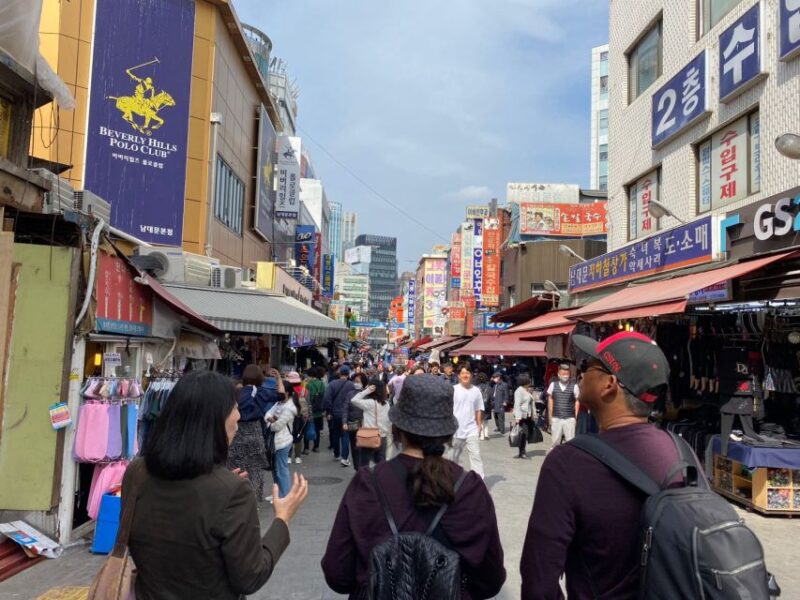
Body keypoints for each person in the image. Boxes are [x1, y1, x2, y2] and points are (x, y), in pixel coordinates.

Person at [125, 370, 308, 599]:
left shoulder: (136, 472)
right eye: (234, 408)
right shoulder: (233, 491)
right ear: (213, 419)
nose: (239, 416)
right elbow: (250, 576)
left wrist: (221, 488)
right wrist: (282, 519)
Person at [321, 375, 506, 599]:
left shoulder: (367, 483)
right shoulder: (470, 488)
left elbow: (337, 574)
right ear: (448, 433)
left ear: (397, 429)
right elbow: (490, 580)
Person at [520, 332, 675, 599]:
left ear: (610, 384)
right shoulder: (682, 454)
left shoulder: (568, 463)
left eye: (589, 367)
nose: (580, 373)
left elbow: (538, 579)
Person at [227, 365, 279, 502]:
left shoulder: (234, 392)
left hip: (237, 433)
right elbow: (281, 394)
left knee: (235, 468)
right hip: (254, 432)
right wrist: (278, 378)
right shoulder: (261, 391)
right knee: (255, 470)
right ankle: (253, 501)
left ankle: (234, 498)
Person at [447, 365, 485, 478]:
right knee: (452, 457)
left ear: (471, 375)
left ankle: (479, 482)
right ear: (458, 375)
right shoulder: (453, 390)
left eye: (468, 373)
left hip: (471, 429)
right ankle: (450, 480)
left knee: (476, 455)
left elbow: (479, 409)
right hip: (455, 430)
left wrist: (479, 425)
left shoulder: (476, 391)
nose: (465, 375)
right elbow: (447, 408)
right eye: (463, 373)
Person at [348, 378, 391, 467]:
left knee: (364, 464)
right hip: (382, 437)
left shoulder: (369, 403)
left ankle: (365, 480)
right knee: (381, 465)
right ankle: (379, 480)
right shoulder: (386, 404)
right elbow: (388, 421)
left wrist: (366, 391)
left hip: (369, 436)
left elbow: (354, 400)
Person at [266, 383, 297, 499]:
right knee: (275, 469)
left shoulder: (290, 407)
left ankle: (285, 495)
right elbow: (267, 414)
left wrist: (271, 421)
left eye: (279, 391)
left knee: (281, 469)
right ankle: (277, 493)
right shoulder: (278, 403)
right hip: (274, 442)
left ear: (287, 392)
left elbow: (276, 426)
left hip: (283, 442)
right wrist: (271, 419)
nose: (277, 393)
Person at [324, 365, 356, 466]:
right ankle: (344, 458)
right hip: (347, 414)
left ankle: (336, 454)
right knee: (345, 435)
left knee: (335, 434)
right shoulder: (352, 385)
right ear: (348, 374)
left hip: (334, 413)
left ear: (340, 373)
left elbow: (327, 399)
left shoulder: (332, 384)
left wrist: (328, 412)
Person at [545, 363, 580, 451]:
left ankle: (569, 460)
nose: (565, 376)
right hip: (556, 417)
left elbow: (577, 401)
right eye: (563, 374)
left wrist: (575, 416)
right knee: (555, 442)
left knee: (570, 441)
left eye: (567, 374)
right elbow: (550, 400)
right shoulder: (553, 385)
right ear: (558, 374)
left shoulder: (574, 386)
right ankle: (554, 459)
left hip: (569, 418)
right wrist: (550, 416)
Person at [344, 373, 369, 471]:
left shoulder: (367, 394)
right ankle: (357, 469)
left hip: (364, 424)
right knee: (354, 448)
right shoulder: (350, 394)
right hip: (352, 424)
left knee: (363, 447)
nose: (356, 383)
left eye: (358, 382)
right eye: (355, 381)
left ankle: (363, 468)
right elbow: (345, 408)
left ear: (363, 383)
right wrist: (344, 422)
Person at [512, 375, 538, 459]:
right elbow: (517, 404)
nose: (530, 383)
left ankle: (522, 451)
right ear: (525, 382)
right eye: (528, 381)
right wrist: (517, 418)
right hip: (522, 417)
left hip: (528, 416)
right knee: (523, 434)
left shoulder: (526, 390)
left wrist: (534, 415)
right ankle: (522, 452)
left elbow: (531, 403)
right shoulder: (519, 391)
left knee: (525, 434)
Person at [287, 371, 310, 463]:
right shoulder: (305, 391)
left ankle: (288, 457)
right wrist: (309, 416)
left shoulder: (287, 390)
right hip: (302, 416)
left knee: (289, 435)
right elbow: (309, 404)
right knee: (299, 436)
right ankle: (297, 457)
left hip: (289, 415)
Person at [306, 366, 326, 452]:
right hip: (319, 410)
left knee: (307, 428)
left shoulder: (308, 385)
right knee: (317, 429)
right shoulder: (321, 383)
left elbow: (308, 398)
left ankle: (306, 448)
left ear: (310, 375)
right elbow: (324, 396)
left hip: (310, 410)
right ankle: (316, 446)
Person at [476, 372, 492, 440]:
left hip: (478, 406)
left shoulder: (476, 387)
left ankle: (481, 435)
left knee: (480, 420)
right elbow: (490, 397)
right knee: (486, 421)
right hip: (487, 405)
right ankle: (486, 434)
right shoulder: (489, 387)